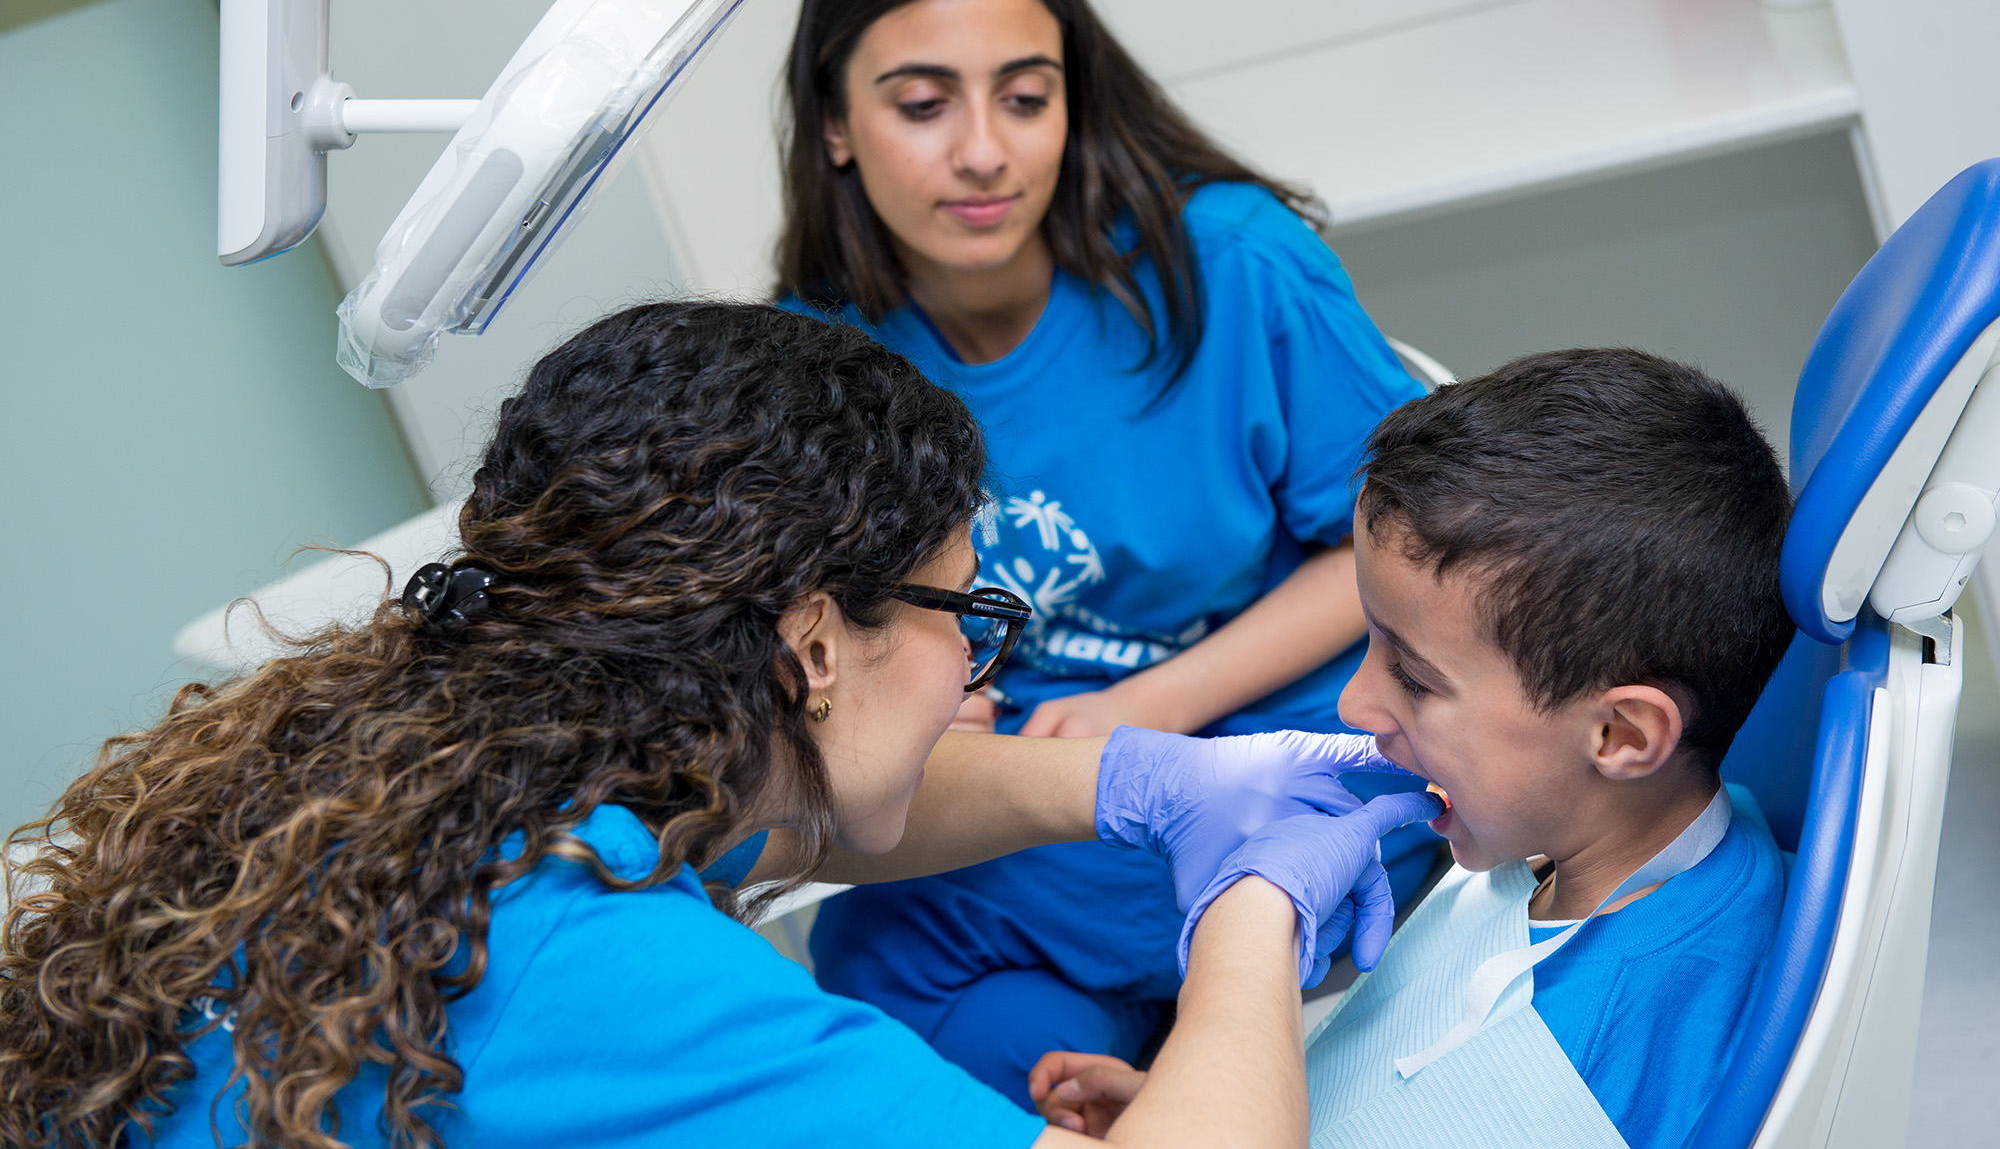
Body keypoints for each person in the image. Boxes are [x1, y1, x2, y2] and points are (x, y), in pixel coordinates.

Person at [0, 301, 1440, 1149]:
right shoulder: (593, 968)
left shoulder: (420, 776)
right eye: (960, 613)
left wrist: (1132, 783)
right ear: (810, 646)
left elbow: (796, 812)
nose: (975, 669)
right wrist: (1252, 904)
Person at [776, 0, 1436, 1102]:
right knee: (891, 967)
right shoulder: (812, 359)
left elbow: (1408, 548)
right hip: (1047, 784)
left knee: (904, 915)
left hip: (1280, 729)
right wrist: (919, 695)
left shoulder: (1231, 263)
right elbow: (833, 639)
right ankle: (1155, 1078)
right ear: (833, 122)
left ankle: (1198, 1042)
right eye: (921, 104)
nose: (983, 151)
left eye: (1025, 98)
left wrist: (1155, 702)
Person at [1032, 349, 1798, 1149]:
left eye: (1413, 675)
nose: (1352, 705)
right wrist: (1193, 1106)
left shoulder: (1564, 1080)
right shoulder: (1570, 839)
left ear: (1622, 736)